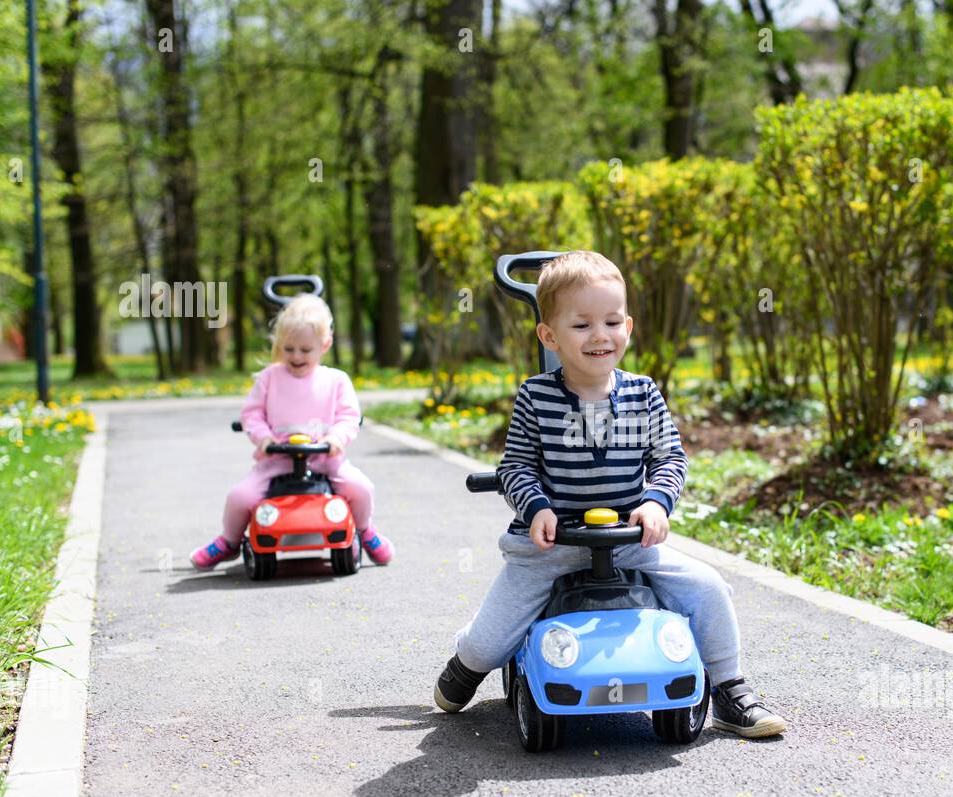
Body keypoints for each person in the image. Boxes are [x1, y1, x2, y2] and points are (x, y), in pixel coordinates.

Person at [433, 251, 786, 737]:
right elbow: (515, 466)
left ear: (629, 326)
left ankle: (729, 687)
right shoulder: (536, 397)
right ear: (549, 337)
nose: (600, 335)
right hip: (550, 548)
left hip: (627, 539)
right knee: (490, 642)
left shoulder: (644, 393)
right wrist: (535, 506)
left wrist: (655, 502)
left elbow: (670, 459)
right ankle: (465, 665)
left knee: (708, 588)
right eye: (581, 325)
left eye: (611, 321)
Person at [190, 293, 393, 569]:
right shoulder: (269, 378)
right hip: (276, 462)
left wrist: (335, 438)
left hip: (325, 460)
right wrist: (264, 438)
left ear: (325, 344)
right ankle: (230, 541)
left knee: (361, 487)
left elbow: (348, 417)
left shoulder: (336, 381)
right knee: (240, 496)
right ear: (279, 345)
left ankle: (364, 530)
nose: (296, 356)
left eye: (305, 350)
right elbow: (252, 414)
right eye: (289, 349)